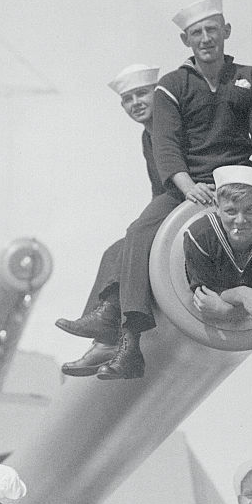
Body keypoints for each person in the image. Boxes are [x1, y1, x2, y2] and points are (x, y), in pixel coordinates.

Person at [68, 0, 252, 387]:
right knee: (141, 234)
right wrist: (187, 185)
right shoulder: (172, 86)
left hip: (240, 183)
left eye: (212, 30)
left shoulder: (250, 78)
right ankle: (128, 344)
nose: (206, 38)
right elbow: (167, 146)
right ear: (185, 40)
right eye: (197, 33)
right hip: (188, 187)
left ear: (225, 32)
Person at [54, 64, 164, 379]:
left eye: (142, 94)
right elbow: (158, 189)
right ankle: (103, 334)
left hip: (187, 201)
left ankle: (107, 334)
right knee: (115, 251)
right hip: (168, 202)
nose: (136, 104)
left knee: (135, 237)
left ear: (158, 93)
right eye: (128, 100)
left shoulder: (170, 126)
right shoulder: (148, 135)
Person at [184, 165, 252, 329]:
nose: (240, 220)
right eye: (231, 211)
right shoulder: (199, 236)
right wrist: (243, 294)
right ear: (217, 207)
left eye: (250, 210)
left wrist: (227, 311)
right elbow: (205, 297)